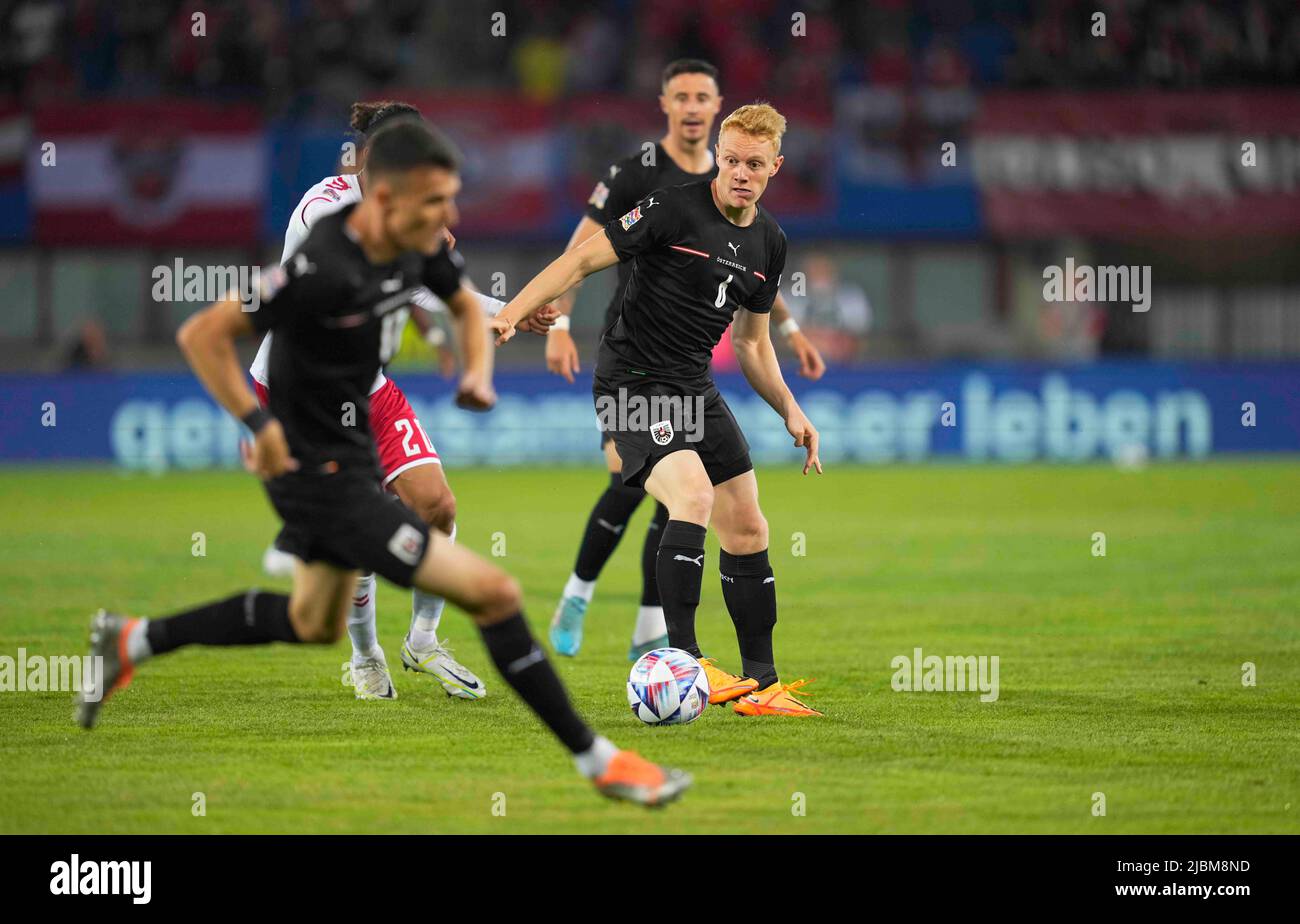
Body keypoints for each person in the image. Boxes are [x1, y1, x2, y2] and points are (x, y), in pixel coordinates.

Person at [74, 119, 691, 806]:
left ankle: (133, 640)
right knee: (495, 593)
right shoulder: (319, 263)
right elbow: (202, 333)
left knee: (314, 621)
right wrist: (257, 423)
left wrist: (480, 375)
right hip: (318, 466)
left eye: (452, 201)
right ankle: (600, 760)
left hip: (362, 413)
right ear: (386, 194)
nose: (449, 218)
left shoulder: (417, 243)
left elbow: (460, 302)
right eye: (436, 202)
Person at [494, 103, 824, 717]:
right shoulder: (672, 207)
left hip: (693, 387)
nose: (740, 174)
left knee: (749, 527)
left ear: (775, 166)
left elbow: (752, 343)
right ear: (719, 158)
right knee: (693, 496)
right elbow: (581, 259)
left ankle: (761, 684)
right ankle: (687, 663)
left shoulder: (770, 241)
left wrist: (790, 409)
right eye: (731, 161)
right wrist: (514, 312)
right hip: (631, 383)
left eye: (755, 164)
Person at [253, 100, 551, 702]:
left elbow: (437, 284)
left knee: (436, 506)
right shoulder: (323, 210)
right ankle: (366, 657)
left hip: (367, 385)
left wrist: (509, 311)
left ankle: (422, 639)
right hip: (304, 394)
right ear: (366, 155)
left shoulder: (408, 204)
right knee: (362, 530)